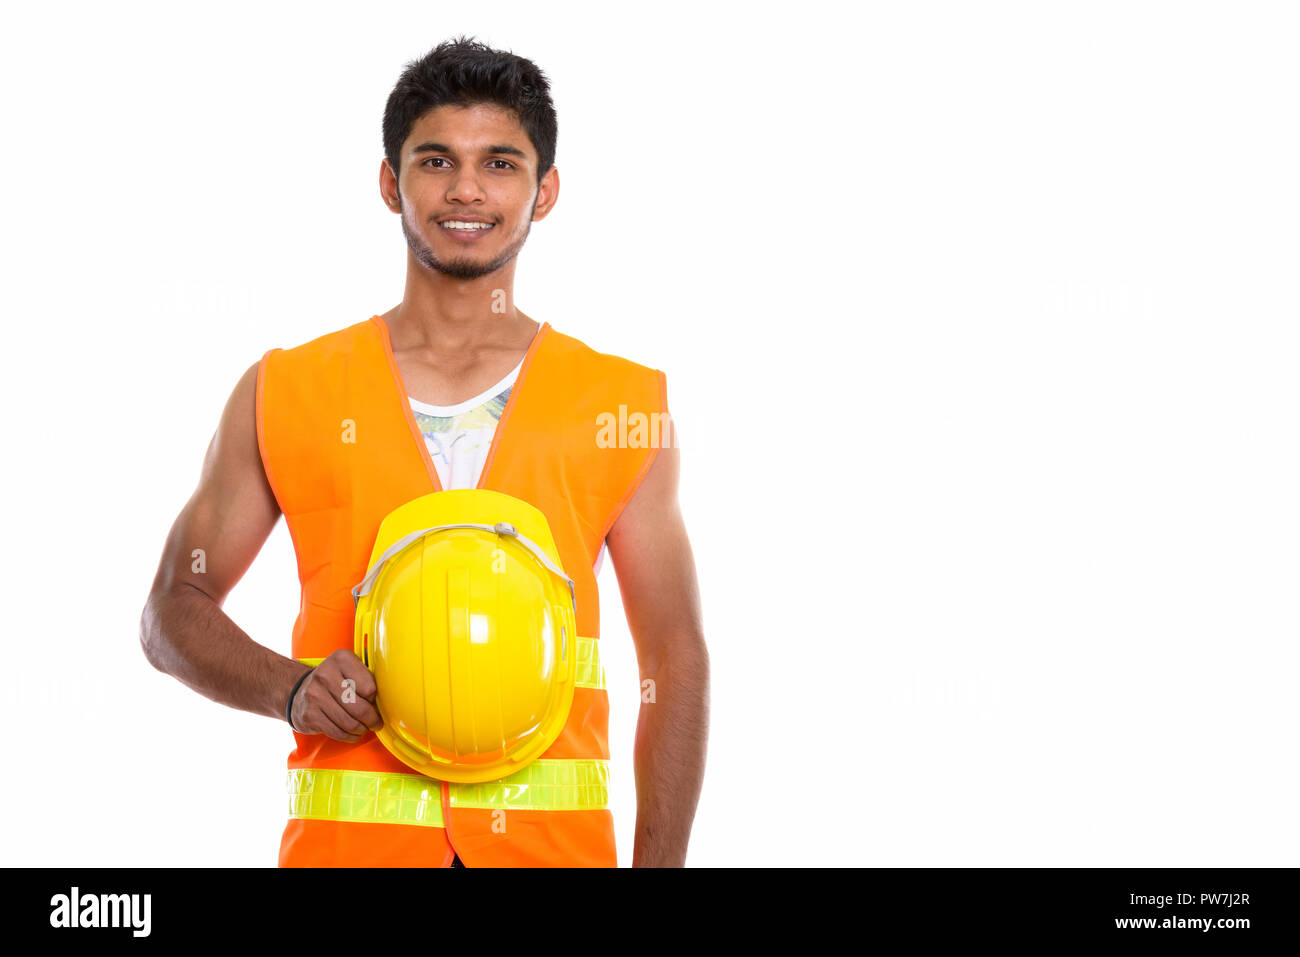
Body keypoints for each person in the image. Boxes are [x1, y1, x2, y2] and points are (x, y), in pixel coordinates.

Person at [139, 36, 709, 867]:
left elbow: (675, 655)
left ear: (544, 192)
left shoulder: (623, 403)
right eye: (436, 160)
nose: (467, 189)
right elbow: (171, 611)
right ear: (389, 183)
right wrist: (289, 689)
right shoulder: (286, 389)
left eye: (501, 164)